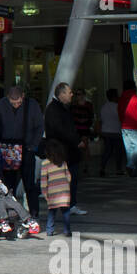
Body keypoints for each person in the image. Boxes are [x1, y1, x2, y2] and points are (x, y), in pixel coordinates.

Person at [0, 85, 43, 218]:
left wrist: (33, 145)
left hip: (26, 147)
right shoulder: (2, 104)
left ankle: (33, 212)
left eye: (18, 102)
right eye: (13, 103)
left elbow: (39, 126)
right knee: (9, 184)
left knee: (29, 183)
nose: (16, 105)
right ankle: (11, 212)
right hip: (8, 147)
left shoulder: (32, 105)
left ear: (23, 96)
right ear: (8, 98)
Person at [45, 82, 87, 215]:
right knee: (66, 179)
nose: (71, 94)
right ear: (61, 94)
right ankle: (66, 205)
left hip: (66, 150)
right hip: (62, 151)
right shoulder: (54, 109)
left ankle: (69, 204)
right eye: (69, 92)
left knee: (71, 179)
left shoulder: (62, 108)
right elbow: (61, 130)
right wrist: (76, 141)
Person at [0, 167, 34, 236]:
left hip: (3, 198)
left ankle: (28, 219)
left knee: (15, 203)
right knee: (1, 202)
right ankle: (3, 220)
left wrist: (0, 184)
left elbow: (5, 191)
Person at [40, 139, 72, 238]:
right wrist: (66, 185)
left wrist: (45, 193)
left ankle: (50, 230)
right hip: (64, 191)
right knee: (66, 212)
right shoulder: (63, 162)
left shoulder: (45, 163)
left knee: (52, 212)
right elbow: (69, 177)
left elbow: (44, 180)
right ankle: (67, 230)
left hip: (53, 192)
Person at [119, 82, 137, 177]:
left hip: (124, 127)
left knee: (130, 151)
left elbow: (120, 112)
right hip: (134, 126)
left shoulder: (121, 99)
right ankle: (130, 166)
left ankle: (133, 172)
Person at [98, 88, 123, 176]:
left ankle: (102, 168)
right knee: (118, 151)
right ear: (114, 96)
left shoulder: (104, 107)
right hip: (116, 132)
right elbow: (121, 118)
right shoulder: (118, 106)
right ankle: (118, 169)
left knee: (107, 151)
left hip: (106, 131)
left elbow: (101, 120)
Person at [71, 90, 95, 175]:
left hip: (85, 128)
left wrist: (86, 121)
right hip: (76, 129)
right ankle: (79, 164)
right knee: (77, 147)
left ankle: (86, 165)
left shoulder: (88, 105)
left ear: (84, 95)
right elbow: (71, 116)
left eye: (80, 94)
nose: (78, 96)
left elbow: (91, 116)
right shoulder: (73, 105)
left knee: (85, 146)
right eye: (77, 94)